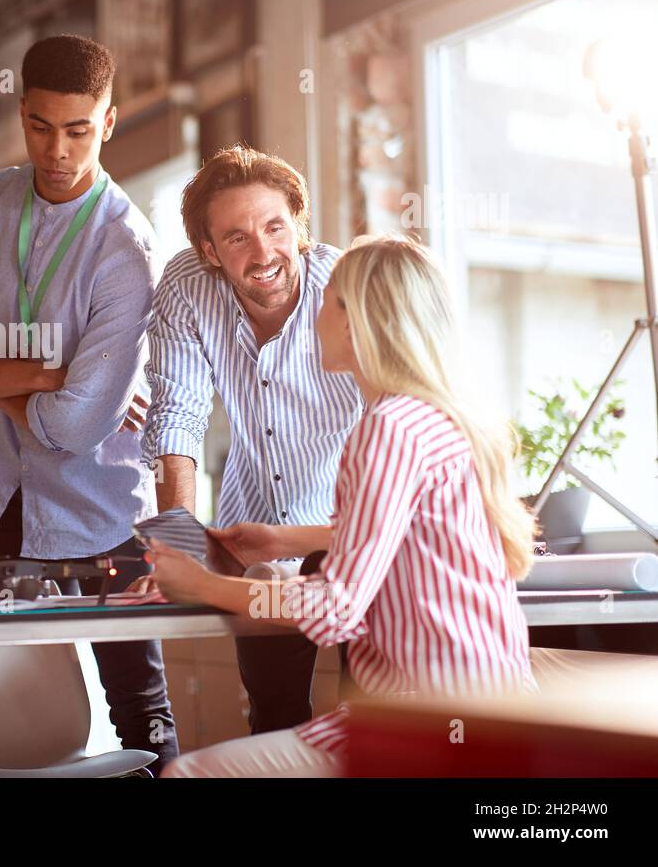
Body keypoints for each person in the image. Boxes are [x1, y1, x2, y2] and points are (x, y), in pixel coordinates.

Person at [146, 234, 538, 776]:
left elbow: (336, 610)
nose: (313, 317)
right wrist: (284, 540)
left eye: (326, 300)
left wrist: (203, 586)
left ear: (356, 322)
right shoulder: (437, 419)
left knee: (186, 772)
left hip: (424, 723)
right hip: (495, 711)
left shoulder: (385, 430)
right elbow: (408, 536)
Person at [0, 34, 177, 771]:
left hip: (106, 515)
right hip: (2, 509)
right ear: (21, 114)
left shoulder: (126, 252)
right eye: (41, 126)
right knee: (3, 706)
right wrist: (50, 372)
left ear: (107, 123)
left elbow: (74, 430)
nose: (58, 150)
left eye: (78, 130)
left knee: (140, 713)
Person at [139, 146, 363, 734]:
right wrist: (182, 547)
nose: (263, 252)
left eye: (274, 227)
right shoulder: (188, 287)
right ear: (209, 251)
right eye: (236, 238)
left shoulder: (347, 288)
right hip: (256, 534)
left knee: (375, 720)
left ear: (300, 227)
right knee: (275, 717)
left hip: (357, 529)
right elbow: (176, 416)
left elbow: (395, 412)